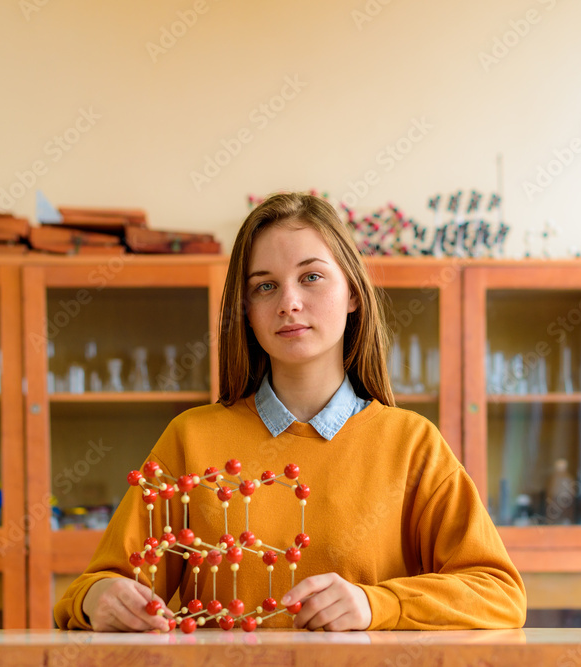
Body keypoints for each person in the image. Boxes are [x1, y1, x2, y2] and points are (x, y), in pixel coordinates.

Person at [54, 192, 526, 632]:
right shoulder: (189, 438)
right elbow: (90, 588)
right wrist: (100, 599)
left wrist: (375, 605)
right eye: (265, 287)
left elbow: (499, 593)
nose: (289, 303)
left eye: (312, 277)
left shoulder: (412, 444)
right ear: (246, 308)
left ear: (354, 294)